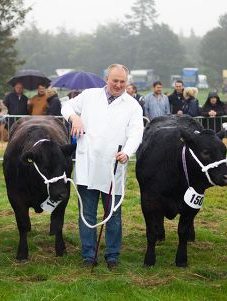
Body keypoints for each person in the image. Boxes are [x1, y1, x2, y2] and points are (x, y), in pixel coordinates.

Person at [61, 64, 143, 269]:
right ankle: (89, 254)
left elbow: (136, 133)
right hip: (88, 165)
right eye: (115, 80)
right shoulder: (89, 96)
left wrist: (128, 152)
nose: (118, 85)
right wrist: (74, 117)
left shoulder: (133, 105)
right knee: (86, 213)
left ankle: (112, 255)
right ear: (107, 78)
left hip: (113, 166)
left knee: (113, 214)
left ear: (127, 82)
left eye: (122, 81)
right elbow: (66, 106)